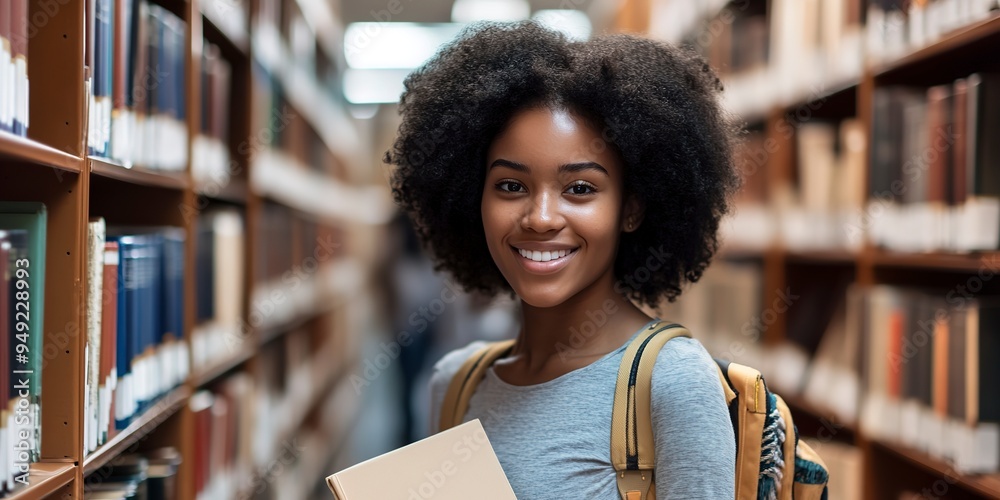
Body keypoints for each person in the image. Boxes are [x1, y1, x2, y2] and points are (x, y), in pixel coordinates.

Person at [386, 21, 740, 499]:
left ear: (631, 208)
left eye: (580, 189)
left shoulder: (672, 383)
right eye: (511, 186)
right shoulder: (454, 385)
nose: (541, 218)